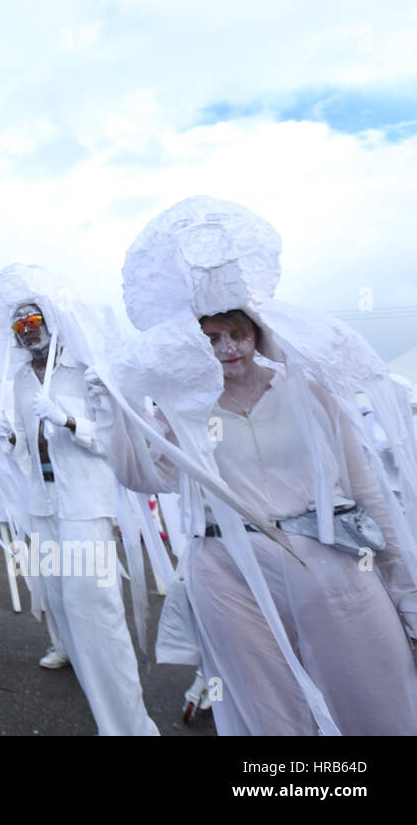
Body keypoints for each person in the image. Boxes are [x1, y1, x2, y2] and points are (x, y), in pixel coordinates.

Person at [92, 308, 417, 734]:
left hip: (332, 564)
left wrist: (407, 595)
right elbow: (144, 476)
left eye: (236, 334)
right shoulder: (184, 413)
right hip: (231, 577)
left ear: (257, 337)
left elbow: (367, 492)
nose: (227, 348)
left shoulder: (310, 393)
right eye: (211, 339)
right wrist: (113, 408)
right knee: (270, 711)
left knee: (371, 686)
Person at [0, 302, 157, 735]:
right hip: (43, 502)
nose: (26, 331)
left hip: (83, 500)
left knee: (96, 612)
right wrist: (8, 437)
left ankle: (130, 727)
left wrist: (66, 420)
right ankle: (98, 702)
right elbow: (27, 444)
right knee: (61, 604)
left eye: (33, 322)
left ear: (51, 323)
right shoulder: (22, 380)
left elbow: (113, 439)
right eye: (19, 326)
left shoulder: (84, 370)